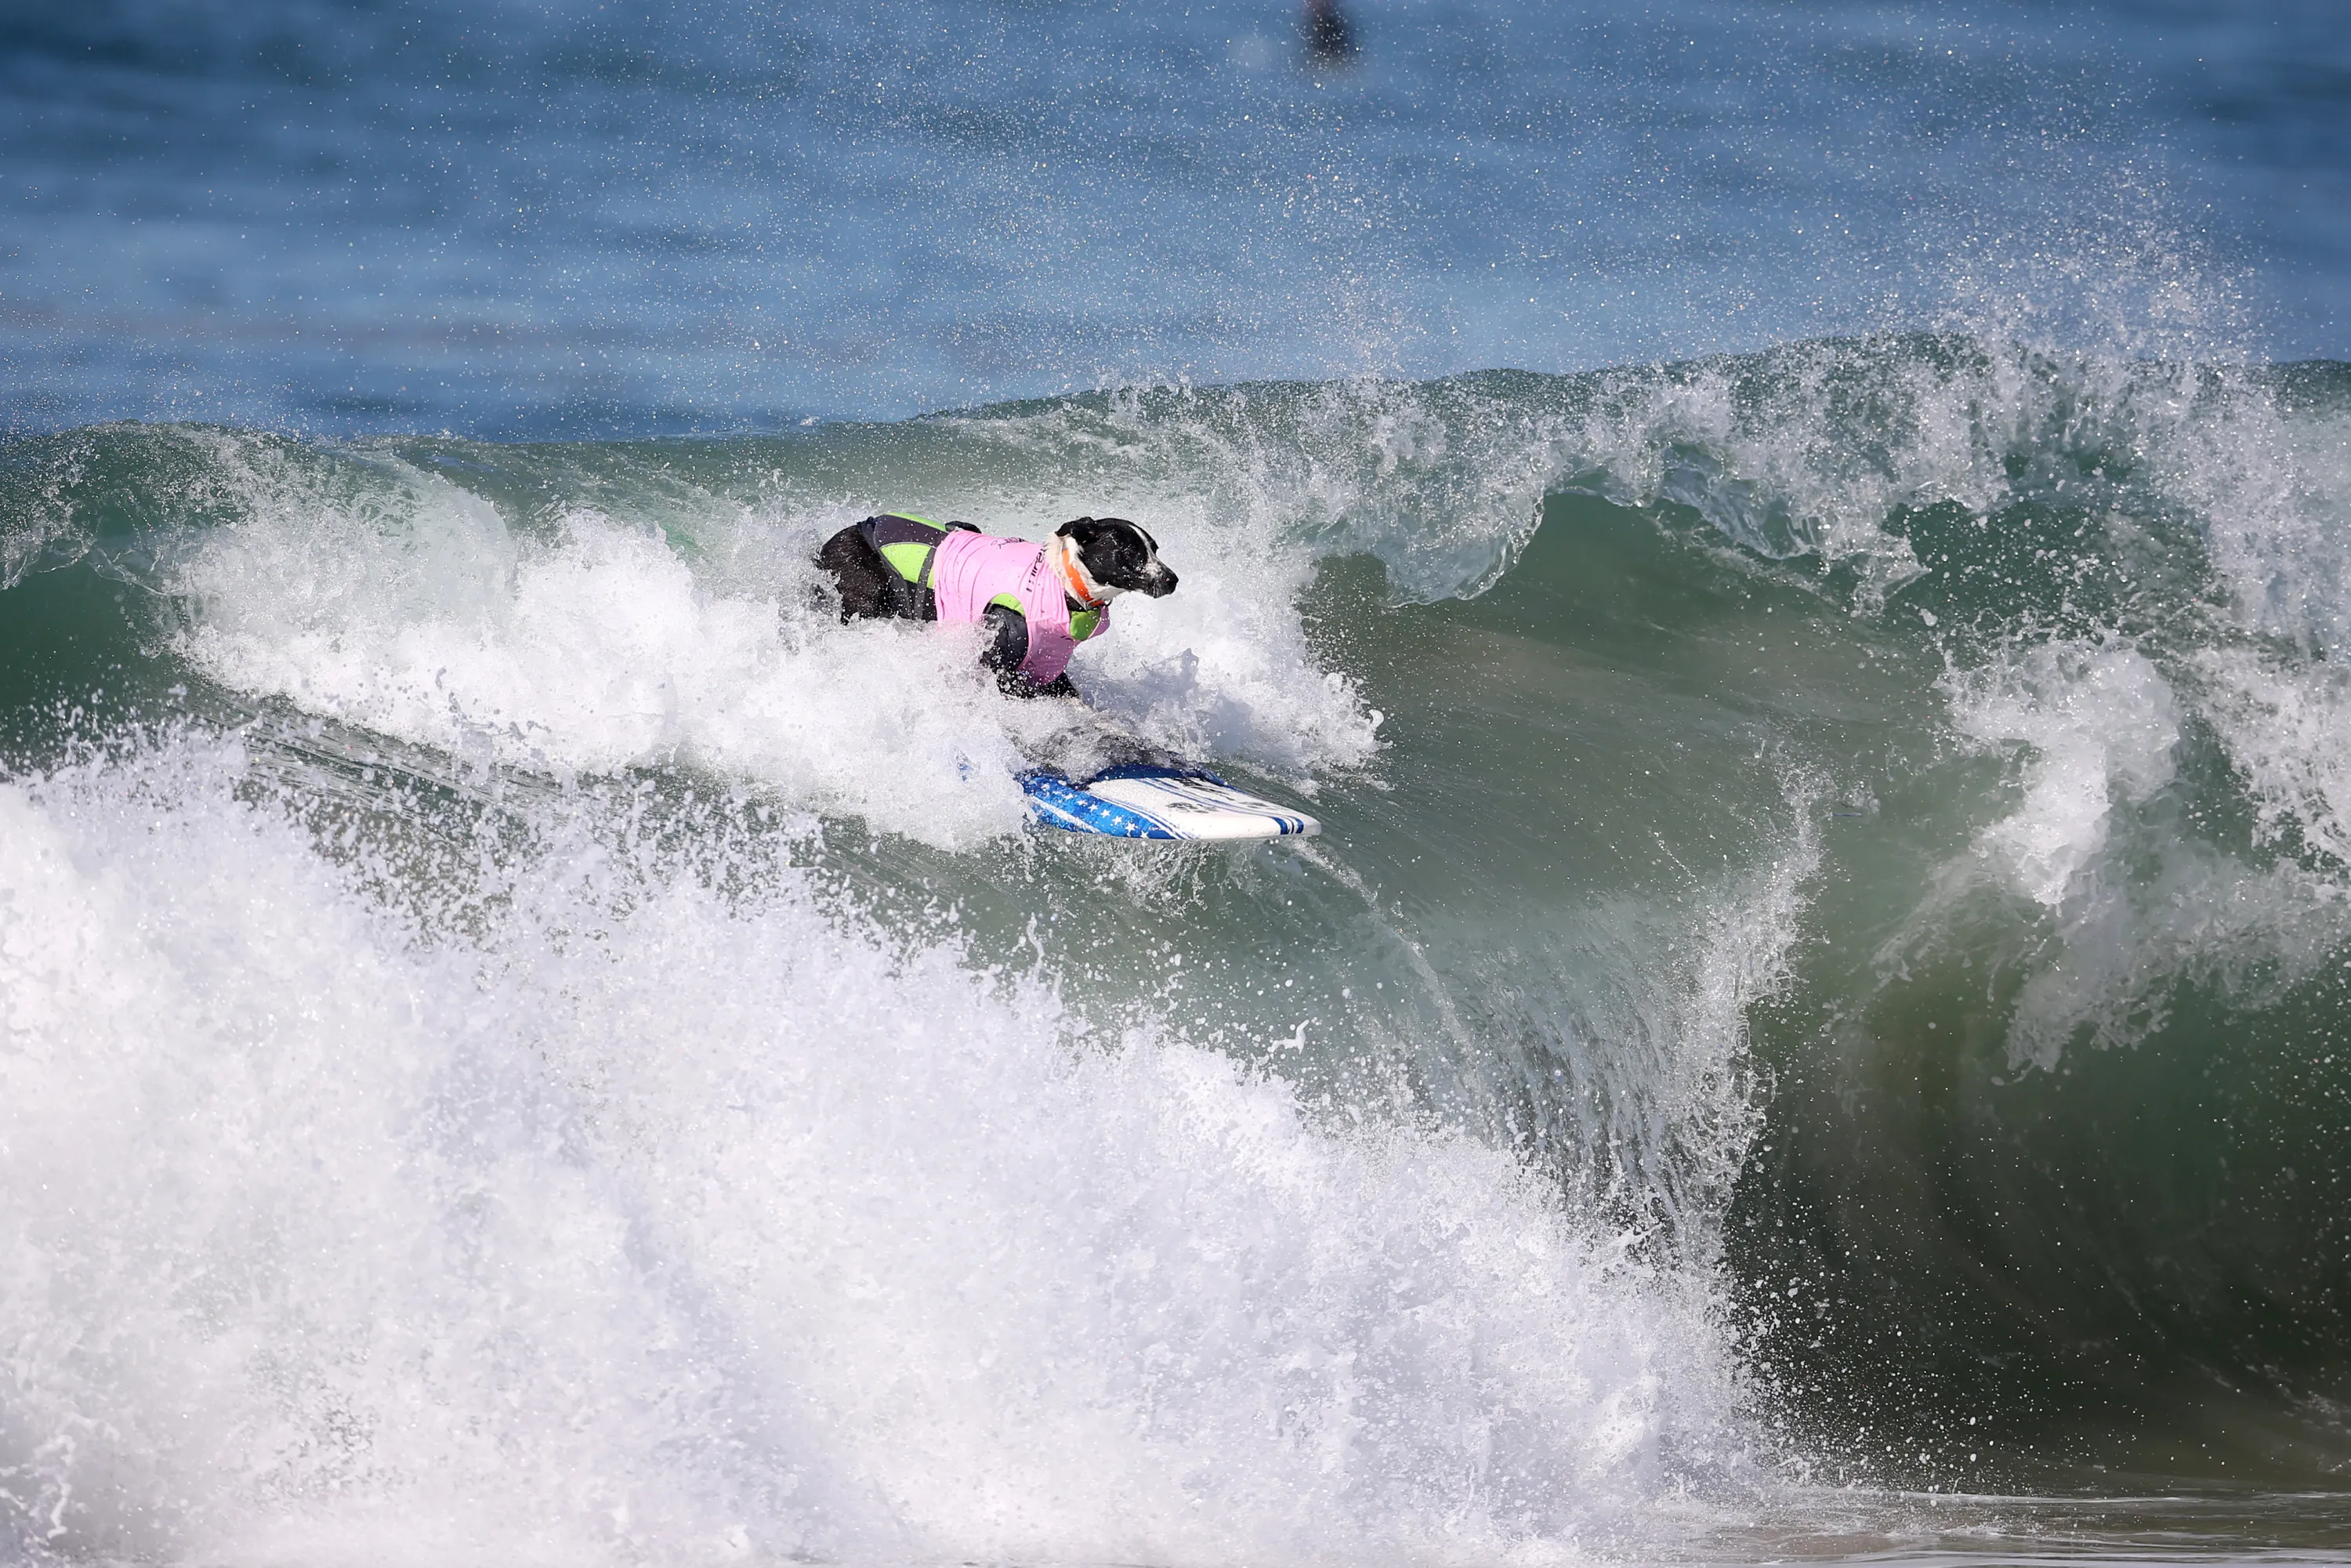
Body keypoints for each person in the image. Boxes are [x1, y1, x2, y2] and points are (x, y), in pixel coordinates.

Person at [817, 511, 1177, 698]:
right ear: (1081, 545)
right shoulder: (1023, 610)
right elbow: (986, 680)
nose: (1158, 571)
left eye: (1150, 555)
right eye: (1132, 557)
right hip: (866, 554)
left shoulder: (1072, 602)